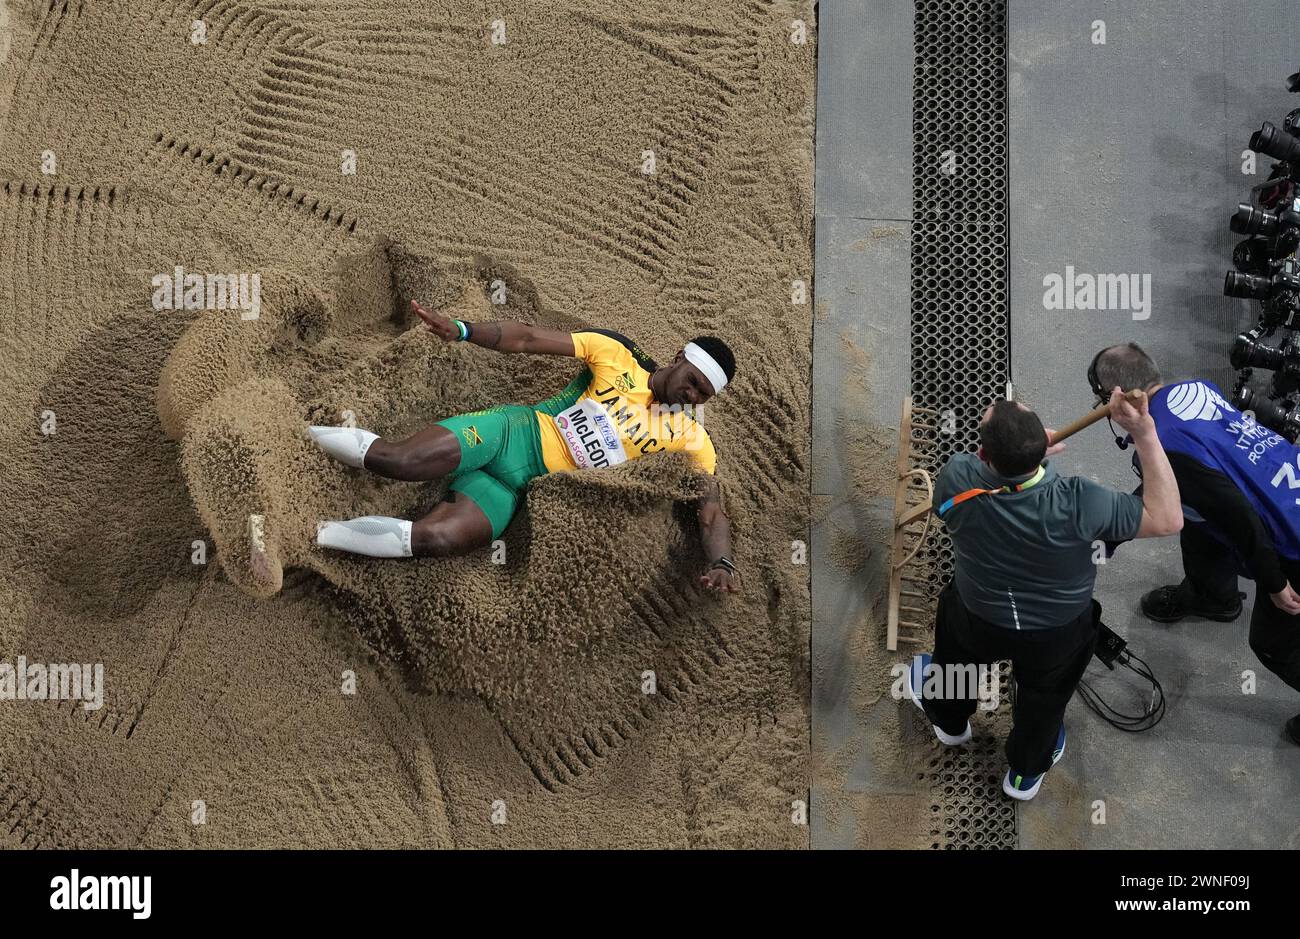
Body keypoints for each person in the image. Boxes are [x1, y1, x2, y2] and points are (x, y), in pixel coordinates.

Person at [306, 299, 741, 594]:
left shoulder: (690, 441)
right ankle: (296, 435)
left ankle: (312, 536)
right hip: (510, 434)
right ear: (681, 356)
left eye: (703, 395)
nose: (692, 397)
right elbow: (528, 339)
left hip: (517, 488)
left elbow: (710, 511)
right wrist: (461, 330)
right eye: (693, 382)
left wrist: (722, 563)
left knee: (437, 538)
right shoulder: (618, 354)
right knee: (398, 460)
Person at [905, 393, 1182, 800]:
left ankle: (949, 725)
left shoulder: (956, 479)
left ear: (982, 453)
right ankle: (1024, 774)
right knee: (1044, 701)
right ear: (1040, 450)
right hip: (1055, 633)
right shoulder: (1081, 502)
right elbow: (1168, 518)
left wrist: (1016, 463)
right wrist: (1144, 432)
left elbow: (969, 494)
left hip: (976, 615)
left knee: (954, 662)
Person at [1089, 343, 1300, 745]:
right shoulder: (1196, 390)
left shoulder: (1167, 446)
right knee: (1196, 519)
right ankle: (1212, 597)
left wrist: (1272, 582)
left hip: (1291, 542)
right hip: (1286, 482)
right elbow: (1175, 489)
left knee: (1273, 645)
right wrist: (1107, 537)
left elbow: (1239, 516)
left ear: (1115, 398)